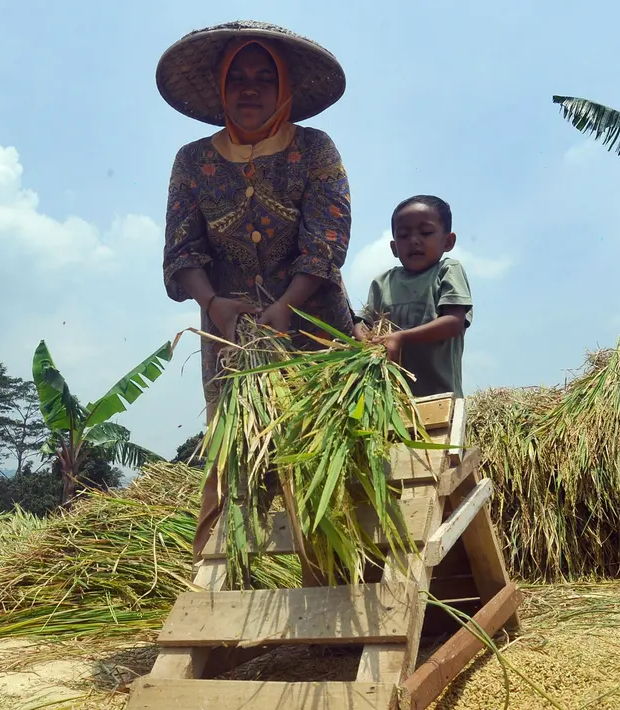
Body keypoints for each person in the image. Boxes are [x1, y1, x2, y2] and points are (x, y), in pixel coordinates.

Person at [156, 21, 356, 560]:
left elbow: (327, 235)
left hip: (315, 321)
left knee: (329, 443)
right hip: (232, 330)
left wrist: (289, 305)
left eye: (263, 78)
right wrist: (213, 304)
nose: (249, 89)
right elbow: (182, 248)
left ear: (283, 87)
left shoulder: (314, 149)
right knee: (239, 453)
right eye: (238, 78)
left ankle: (352, 565)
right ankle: (228, 574)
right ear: (222, 88)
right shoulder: (192, 161)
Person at [356, 195, 473, 398]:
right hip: (391, 402)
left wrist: (401, 338)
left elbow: (454, 322)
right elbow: (361, 323)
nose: (414, 241)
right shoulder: (382, 282)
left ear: (448, 241)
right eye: (403, 235)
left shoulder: (447, 270)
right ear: (394, 248)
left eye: (426, 232)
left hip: (441, 397)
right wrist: (368, 341)